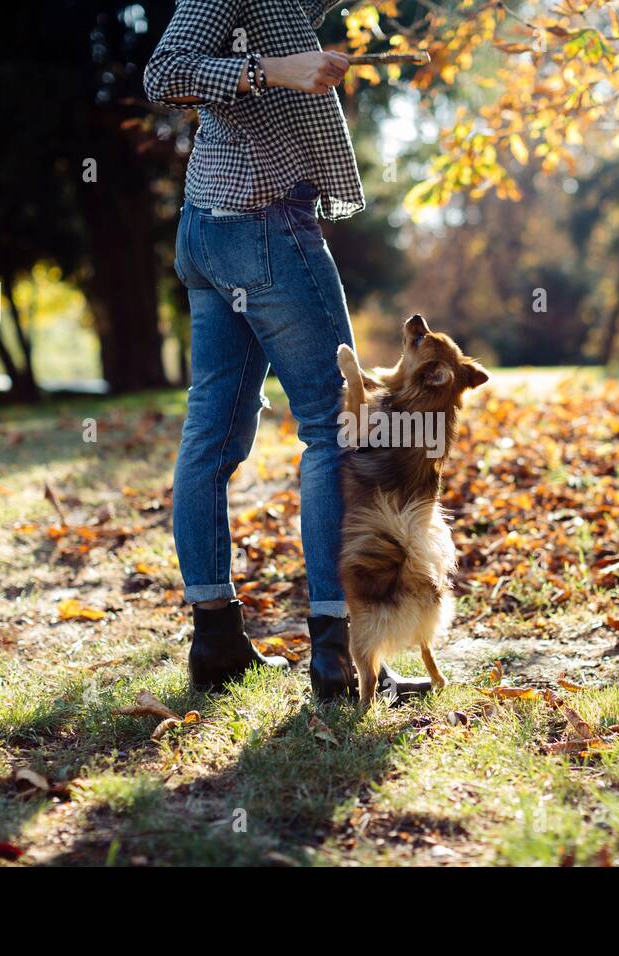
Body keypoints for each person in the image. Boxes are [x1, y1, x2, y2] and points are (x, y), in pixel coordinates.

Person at [144, 0, 429, 702]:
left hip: (211, 227)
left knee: (210, 435)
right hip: (263, 227)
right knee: (335, 431)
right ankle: (341, 658)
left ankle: (216, 644)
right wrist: (275, 70)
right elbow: (163, 73)